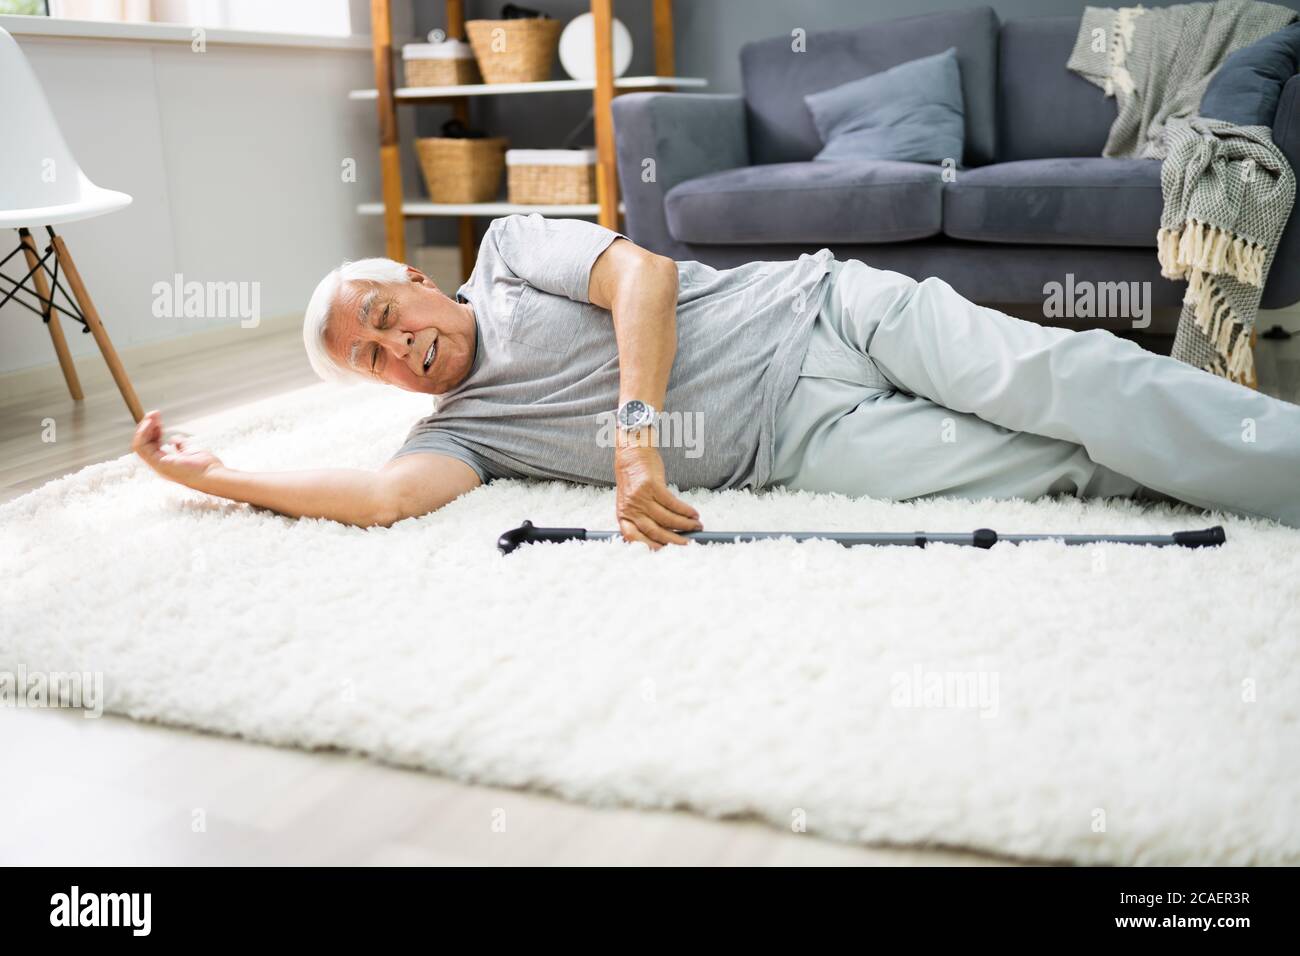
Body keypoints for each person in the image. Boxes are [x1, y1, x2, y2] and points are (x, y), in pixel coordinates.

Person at [132, 214, 1300, 546]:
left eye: (387, 318)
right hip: (796, 442)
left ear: (418, 283)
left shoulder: (504, 254)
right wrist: (226, 473)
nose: (399, 349)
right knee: (1066, 468)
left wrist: (634, 432)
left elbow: (640, 274)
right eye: (372, 359)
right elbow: (385, 503)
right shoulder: (465, 433)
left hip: (826, 311)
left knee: (1062, 377)